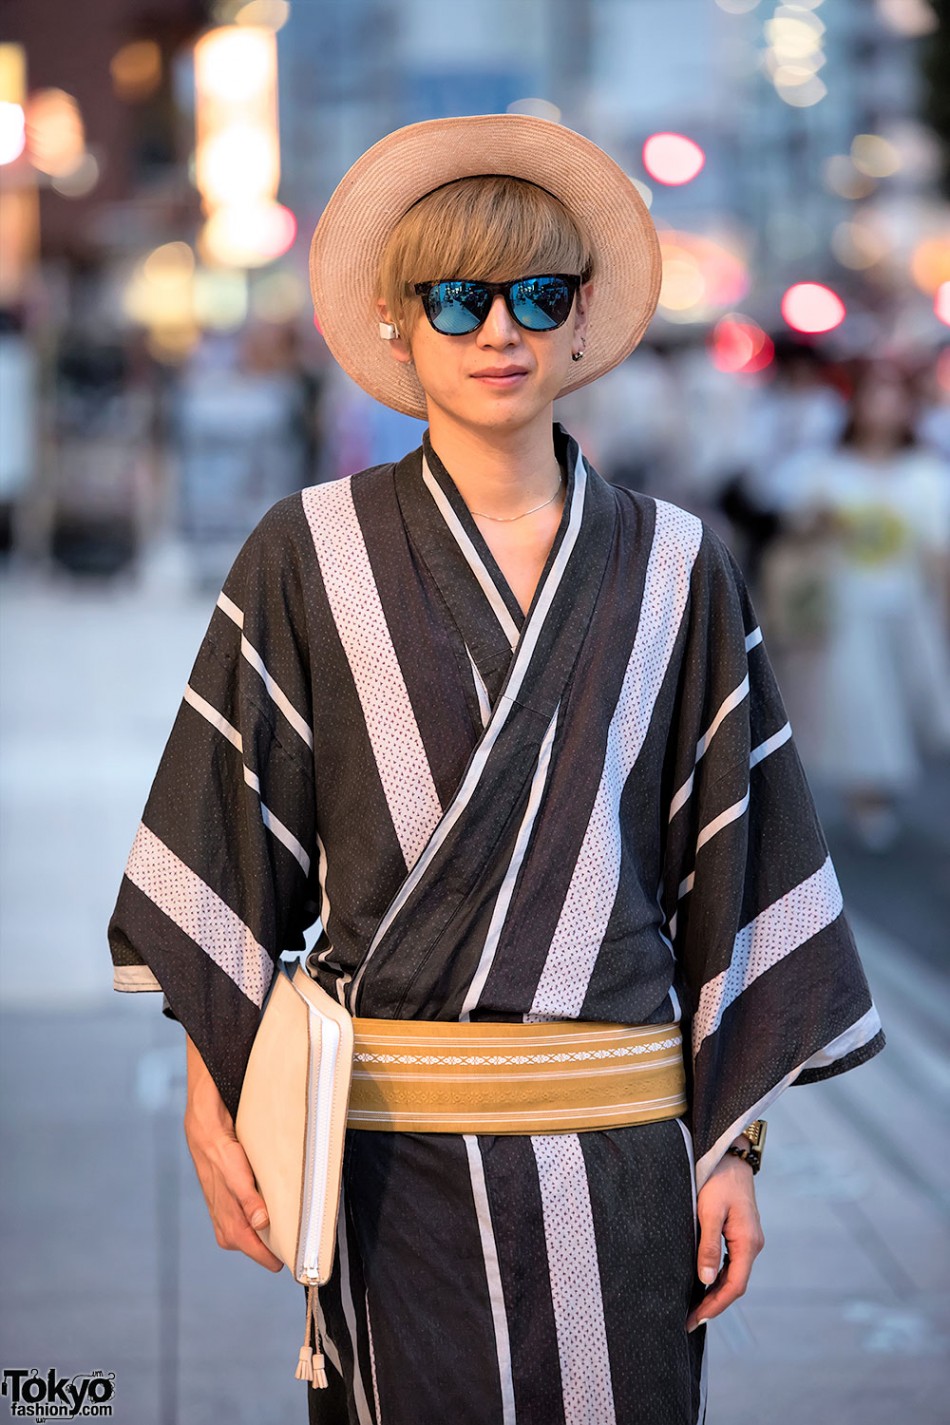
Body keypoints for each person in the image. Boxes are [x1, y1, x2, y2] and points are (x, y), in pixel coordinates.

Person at [108, 114, 885, 1425]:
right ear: (396, 321)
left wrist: (735, 1144)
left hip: (622, 1165)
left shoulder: (678, 569)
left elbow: (734, 880)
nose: (497, 332)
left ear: (583, 320)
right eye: (456, 298)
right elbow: (227, 854)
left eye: (538, 293)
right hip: (379, 1170)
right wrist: (216, 1099)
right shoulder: (304, 555)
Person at [767, 359, 950, 851]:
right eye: (874, 395)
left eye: (894, 397)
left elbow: (939, 554)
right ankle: (868, 797)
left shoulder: (926, 474)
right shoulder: (825, 470)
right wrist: (816, 522)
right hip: (848, 611)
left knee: (909, 703)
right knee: (862, 704)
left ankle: (880, 789)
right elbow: (786, 516)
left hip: (908, 611)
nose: (883, 408)